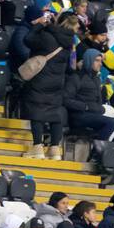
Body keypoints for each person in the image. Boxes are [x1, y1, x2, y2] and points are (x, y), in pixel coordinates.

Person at [22, 11, 77, 158]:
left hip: (41, 79)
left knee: (37, 112)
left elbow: (27, 40)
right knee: (55, 114)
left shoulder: (48, 37)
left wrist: (39, 25)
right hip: (58, 82)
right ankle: (54, 149)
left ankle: (37, 147)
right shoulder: (70, 42)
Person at [64, 50, 114, 143]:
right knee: (111, 123)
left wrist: (100, 109)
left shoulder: (96, 79)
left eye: (101, 61)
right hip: (79, 116)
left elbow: (98, 101)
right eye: (97, 60)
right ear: (89, 61)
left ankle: (112, 150)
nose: (100, 64)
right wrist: (85, 106)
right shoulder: (76, 78)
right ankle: (95, 151)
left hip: (94, 115)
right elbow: (65, 100)